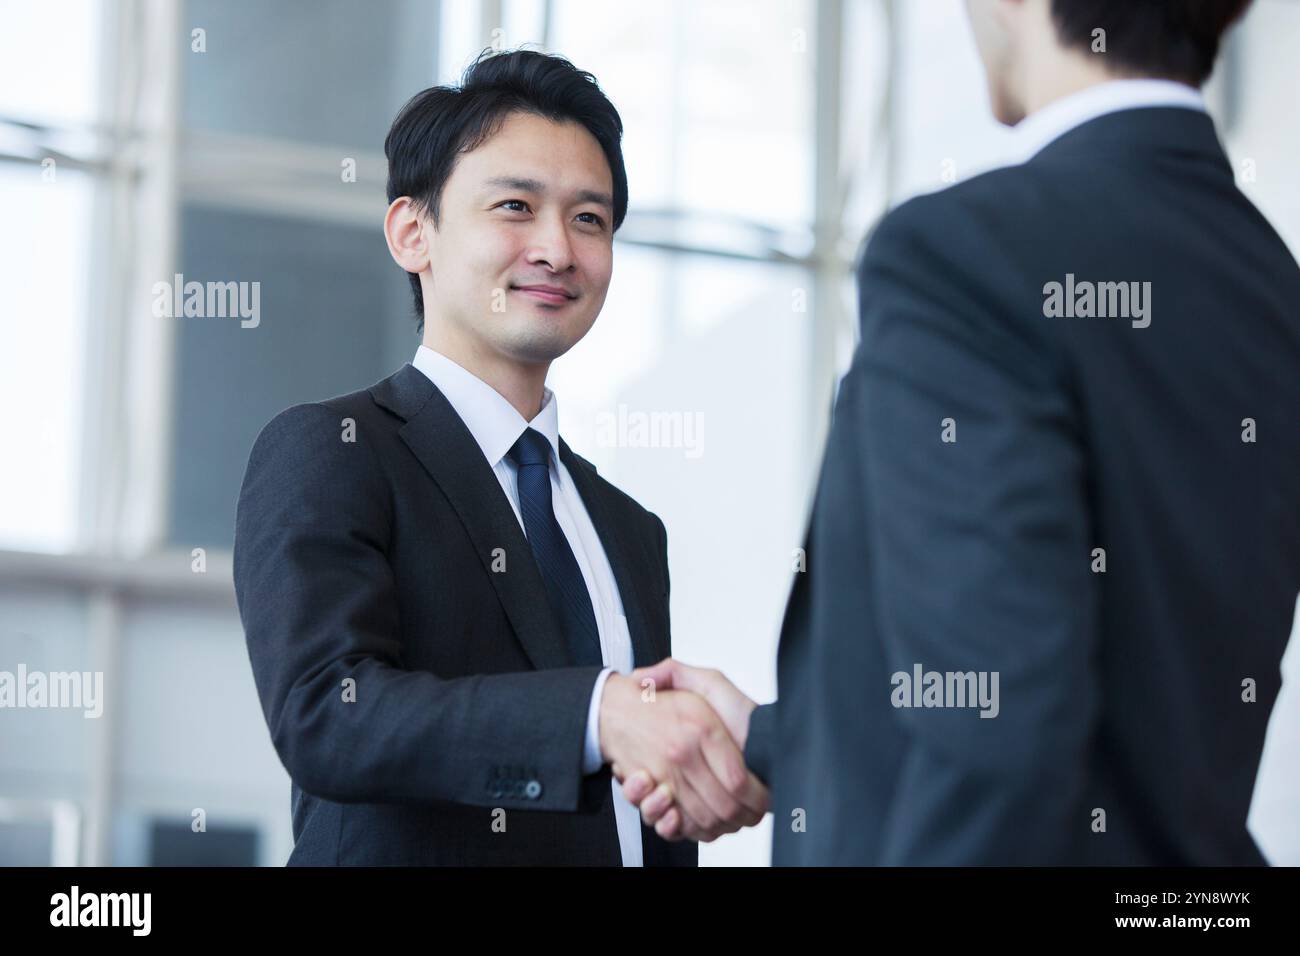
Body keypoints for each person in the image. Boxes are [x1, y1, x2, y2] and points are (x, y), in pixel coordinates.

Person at [625, 0, 1300, 865]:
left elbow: (1000, 723)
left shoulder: (964, 253)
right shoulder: (1268, 278)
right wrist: (772, 738)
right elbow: (1121, 709)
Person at [232, 49, 767, 866]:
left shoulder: (629, 528)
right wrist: (596, 716)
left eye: (590, 219)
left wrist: (729, 756)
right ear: (414, 233)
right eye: (515, 206)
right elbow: (325, 714)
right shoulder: (336, 451)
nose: (557, 248)